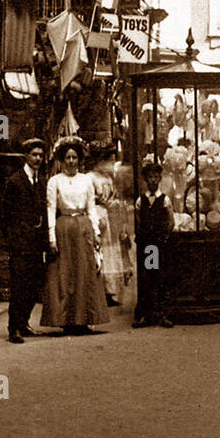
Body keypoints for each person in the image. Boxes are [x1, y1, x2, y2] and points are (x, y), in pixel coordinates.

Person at [41, 137, 109, 335]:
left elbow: (91, 209)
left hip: (83, 227)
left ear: (79, 160)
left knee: (83, 273)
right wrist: (51, 237)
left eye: (74, 158)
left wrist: (95, 232)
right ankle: (66, 320)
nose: (71, 161)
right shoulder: (55, 181)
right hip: (63, 227)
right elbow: (50, 209)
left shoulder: (86, 180)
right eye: (68, 158)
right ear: (62, 160)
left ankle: (83, 319)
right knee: (64, 274)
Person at [0, 138, 49, 343]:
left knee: (34, 284)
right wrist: (12, 240)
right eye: (34, 155)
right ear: (26, 156)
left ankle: (24, 322)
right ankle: (14, 328)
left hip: (36, 243)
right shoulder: (14, 181)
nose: (37, 159)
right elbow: (5, 215)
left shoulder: (41, 182)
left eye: (40, 155)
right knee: (19, 285)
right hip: (20, 244)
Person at [133, 158, 174, 328]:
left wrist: (164, 236)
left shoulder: (164, 200)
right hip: (147, 245)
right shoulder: (140, 201)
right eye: (150, 177)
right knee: (146, 278)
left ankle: (162, 313)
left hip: (159, 244)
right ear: (146, 179)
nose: (153, 180)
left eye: (156, 177)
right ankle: (145, 314)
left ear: (160, 179)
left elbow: (171, 222)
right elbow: (138, 221)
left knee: (160, 278)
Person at [90, 146, 126, 306]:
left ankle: (110, 292)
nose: (110, 163)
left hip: (110, 215)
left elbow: (114, 195)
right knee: (100, 252)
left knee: (111, 253)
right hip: (98, 214)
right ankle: (99, 291)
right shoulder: (90, 177)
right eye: (108, 160)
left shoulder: (109, 178)